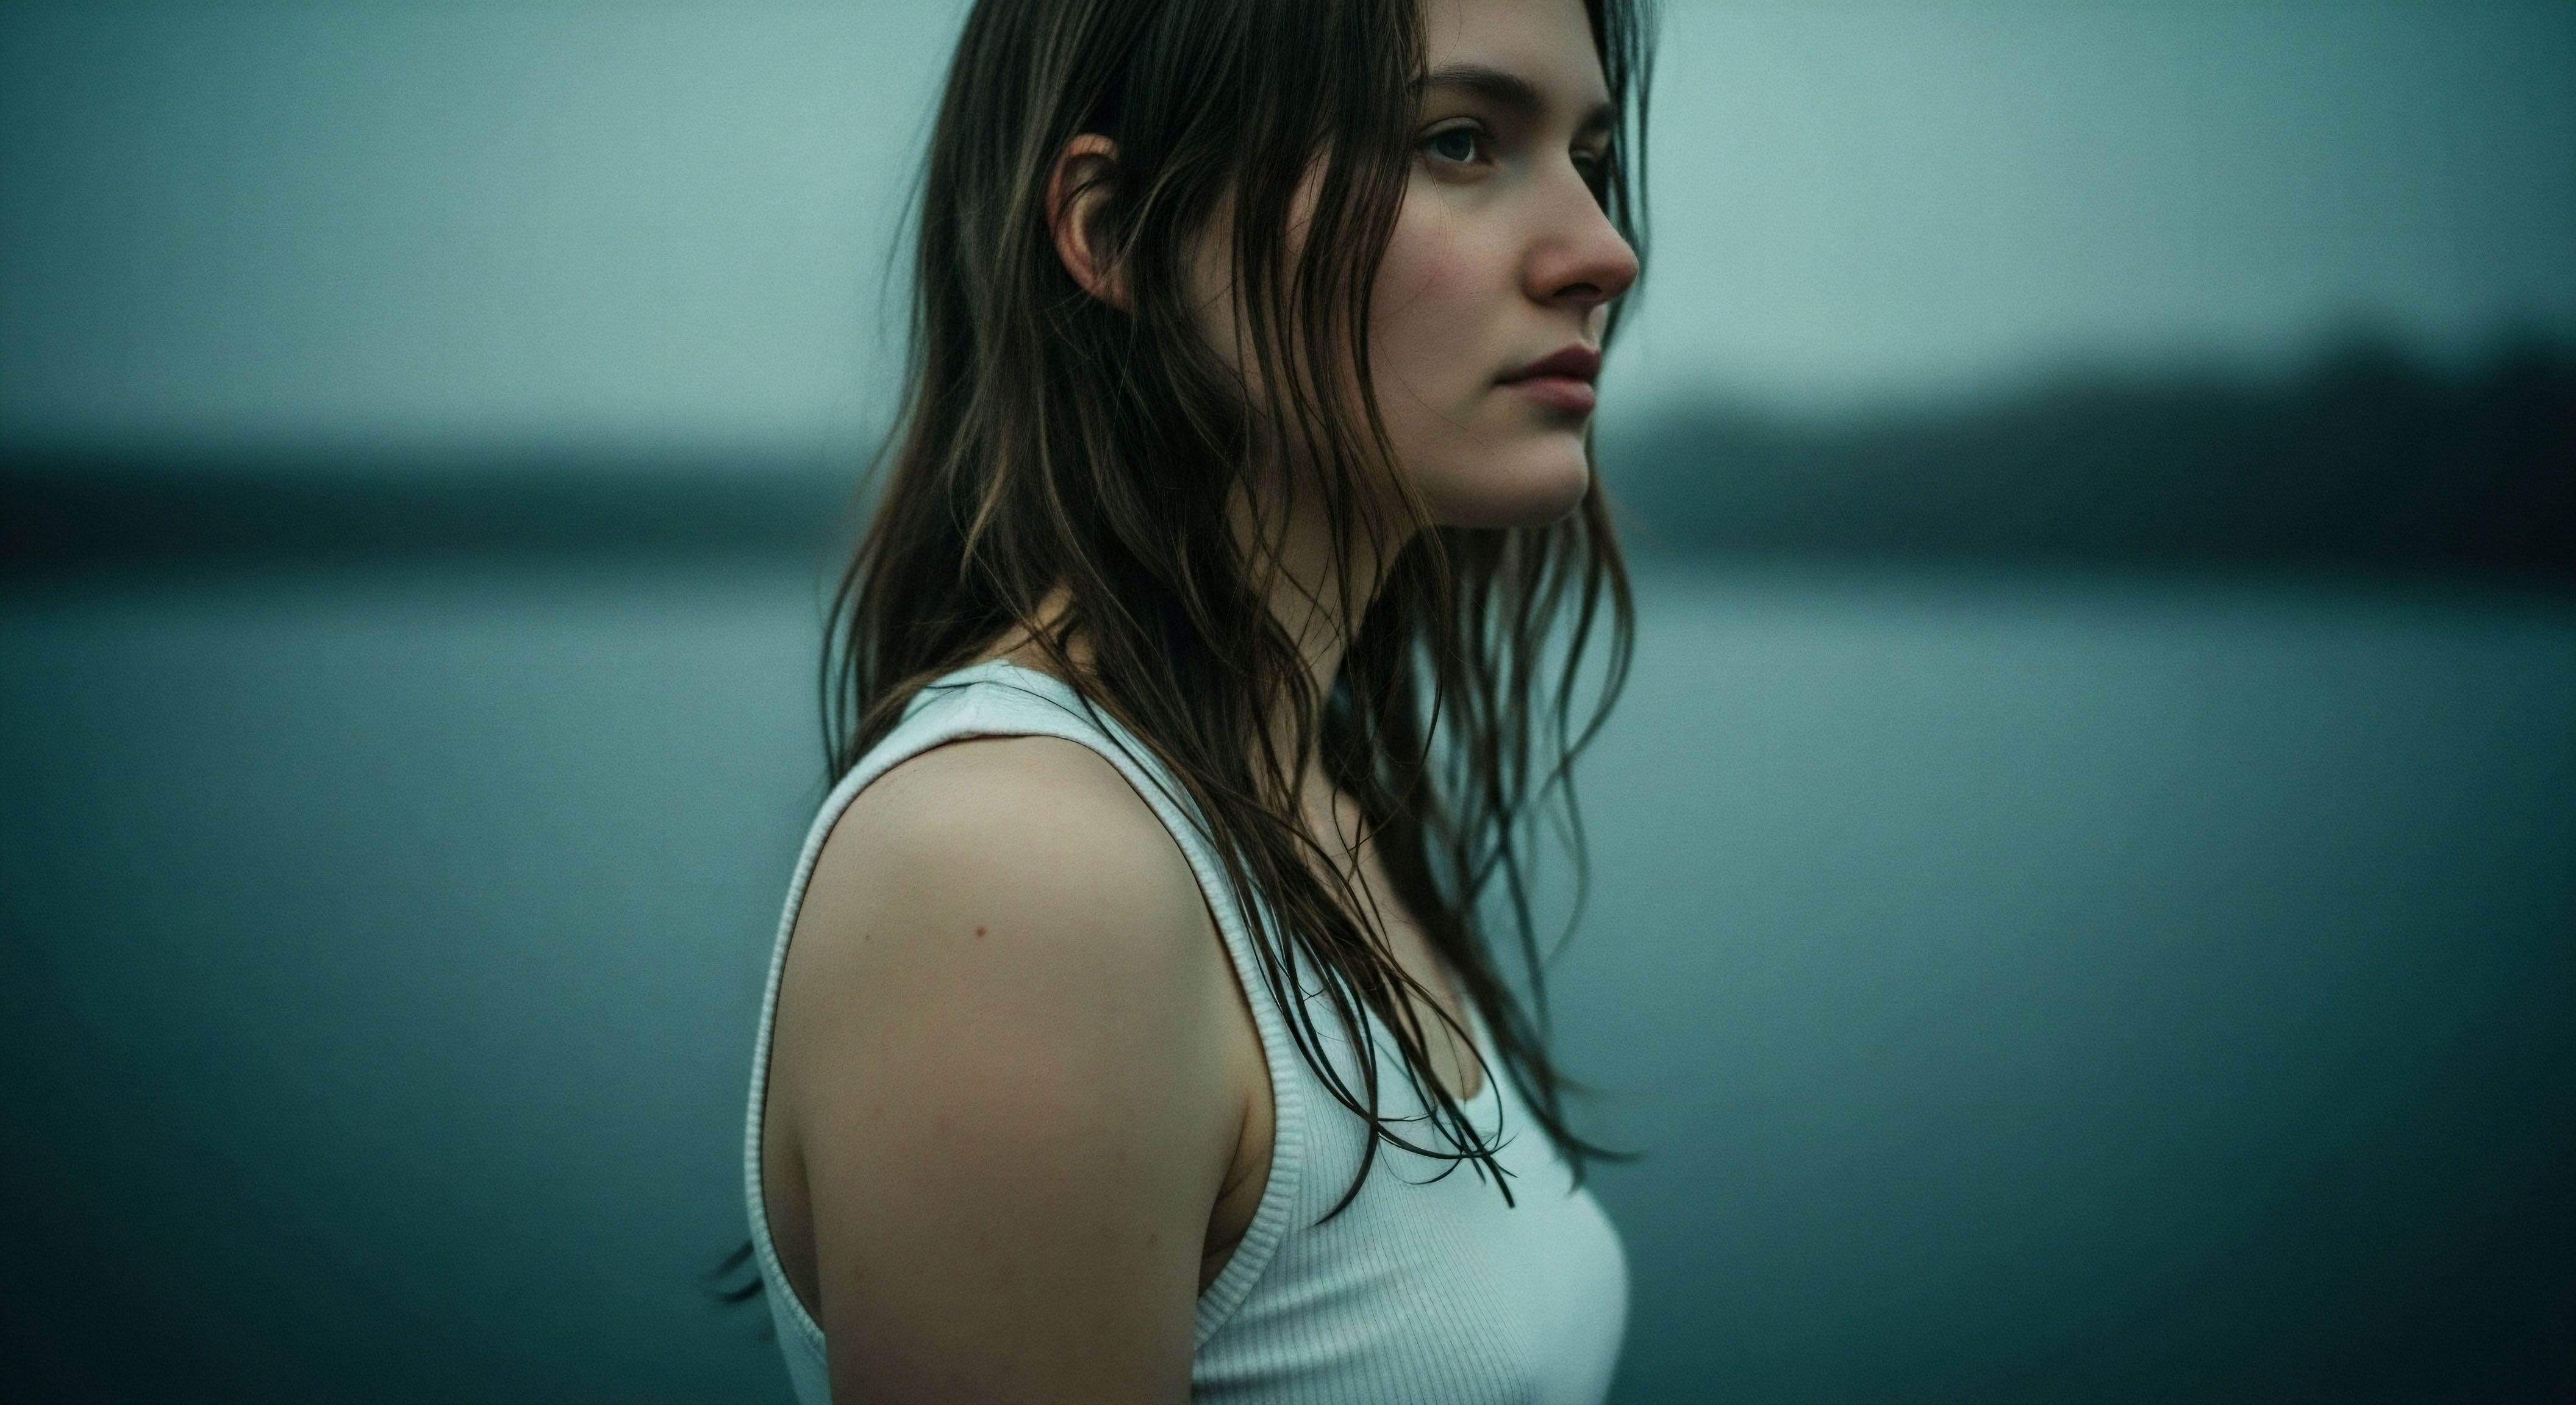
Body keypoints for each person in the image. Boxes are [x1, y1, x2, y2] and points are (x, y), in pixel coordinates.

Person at [742, 0, 1650, 1397]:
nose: (1602, 250)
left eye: (1589, 156)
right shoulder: (1023, 873)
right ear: (1115, 232)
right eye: (1460, 142)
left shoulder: (1301, 797)